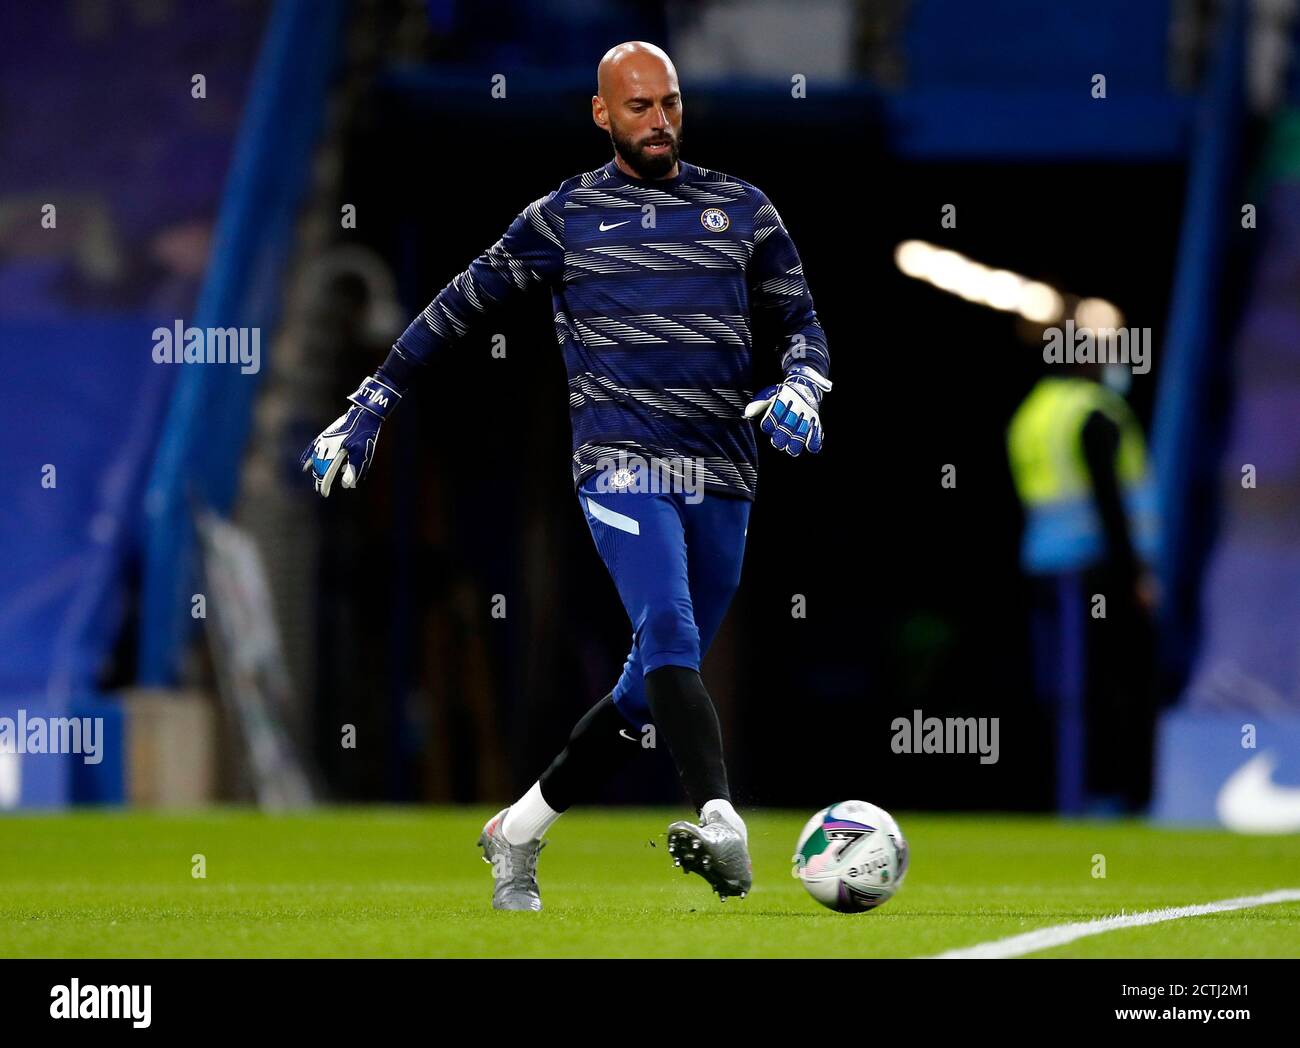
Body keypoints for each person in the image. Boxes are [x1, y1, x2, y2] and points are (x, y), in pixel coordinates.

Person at [301, 42, 832, 907]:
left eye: (669, 104)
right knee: (668, 630)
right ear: (601, 114)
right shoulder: (562, 218)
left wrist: (804, 385)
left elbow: (802, 324)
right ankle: (720, 821)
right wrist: (371, 403)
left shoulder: (745, 208)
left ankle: (515, 832)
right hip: (618, 464)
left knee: (644, 688)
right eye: (638, 108)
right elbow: (456, 307)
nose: (659, 122)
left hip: (724, 471)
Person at [1007, 363, 1158, 814]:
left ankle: (1060, 795)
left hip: (1042, 564)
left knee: (1059, 686)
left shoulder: (1031, 413)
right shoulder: (1093, 412)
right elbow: (1110, 499)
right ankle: (1102, 797)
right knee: (1104, 684)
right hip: (1093, 568)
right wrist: (1136, 575)